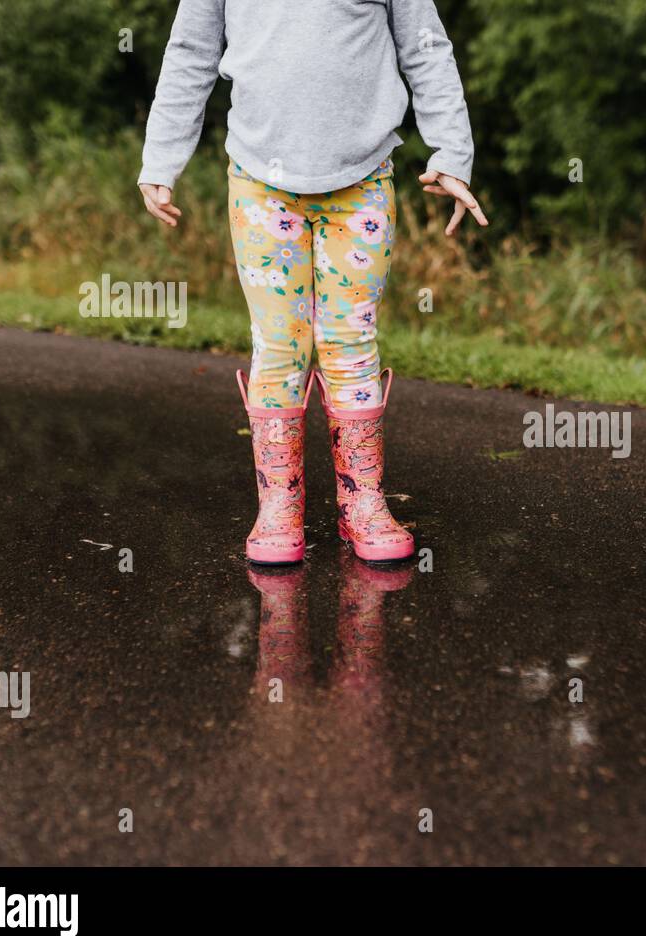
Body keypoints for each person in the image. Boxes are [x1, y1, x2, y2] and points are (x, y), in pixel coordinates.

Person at [138, 0, 487, 564]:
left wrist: (452, 151)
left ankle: (362, 503)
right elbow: (191, 53)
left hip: (363, 179)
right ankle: (279, 506)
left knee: (351, 342)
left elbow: (426, 49)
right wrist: (161, 158)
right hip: (260, 182)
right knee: (279, 345)